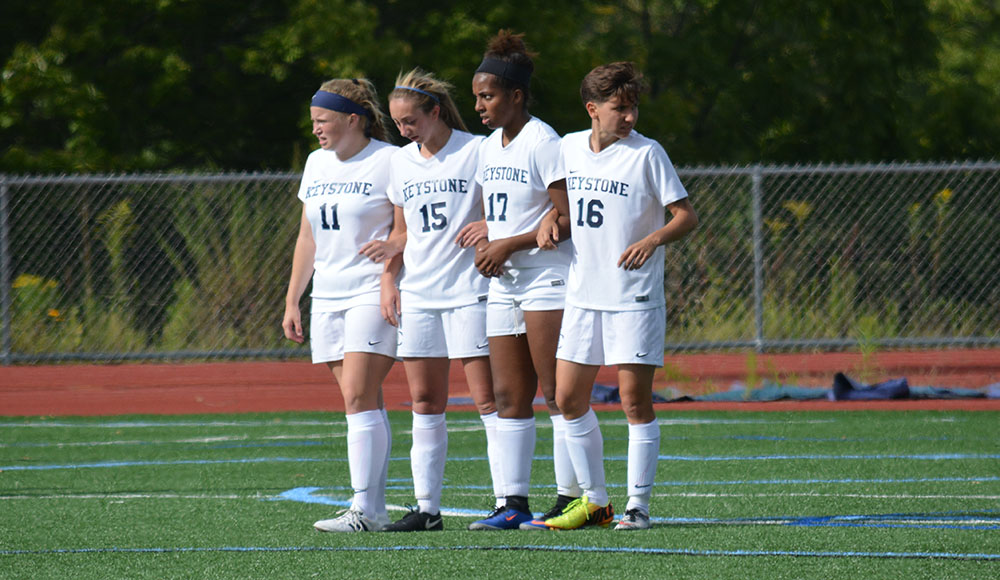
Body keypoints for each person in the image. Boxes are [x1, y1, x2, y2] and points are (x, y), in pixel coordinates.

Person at [535, 62, 698, 530]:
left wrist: (653, 240)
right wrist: (549, 219)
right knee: (567, 398)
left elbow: (686, 216)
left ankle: (637, 507)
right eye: (619, 108)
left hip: (633, 297)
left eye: (633, 108)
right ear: (592, 109)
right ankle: (596, 502)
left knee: (634, 402)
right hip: (583, 294)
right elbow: (561, 205)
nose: (629, 117)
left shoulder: (647, 153)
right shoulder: (567, 147)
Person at [463, 30, 581, 531]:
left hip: (546, 279)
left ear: (515, 96)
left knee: (556, 393)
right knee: (508, 397)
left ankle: (572, 499)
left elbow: (569, 218)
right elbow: (501, 214)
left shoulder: (543, 141)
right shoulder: (489, 147)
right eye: (476, 97)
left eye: (487, 96)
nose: (479, 106)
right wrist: (488, 241)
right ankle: (513, 503)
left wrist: (508, 245)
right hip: (504, 284)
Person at [378, 68, 500, 532]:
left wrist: (490, 225)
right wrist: (389, 278)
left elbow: (506, 204)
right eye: (397, 123)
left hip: (470, 290)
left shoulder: (476, 151)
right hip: (420, 292)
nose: (403, 131)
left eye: (410, 121)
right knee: (425, 401)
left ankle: (507, 501)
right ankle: (427, 508)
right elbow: (402, 230)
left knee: (488, 400)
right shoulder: (401, 162)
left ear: (435, 111)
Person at [282, 78, 400, 533]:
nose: (316, 129)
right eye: (313, 120)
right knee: (362, 399)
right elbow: (307, 236)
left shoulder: (389, 160)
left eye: (323, 120)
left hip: (371, 291)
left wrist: (391, 269)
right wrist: (293, 299)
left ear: (353, 120)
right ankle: (375, 510)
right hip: (328, 294)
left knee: (357, 395)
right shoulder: (316, 163)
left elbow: (406, 229)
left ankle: (362, 510)